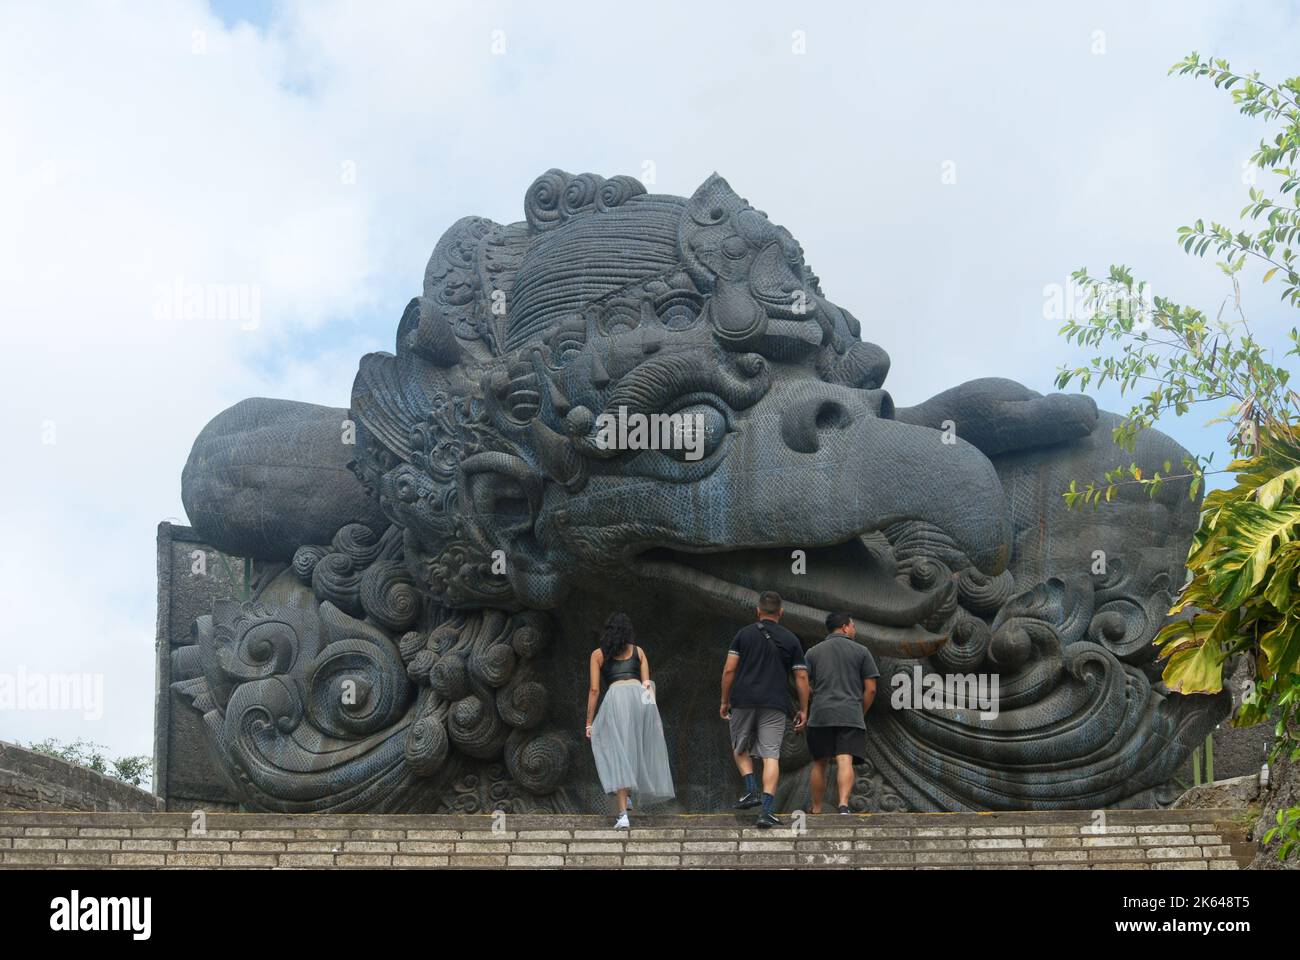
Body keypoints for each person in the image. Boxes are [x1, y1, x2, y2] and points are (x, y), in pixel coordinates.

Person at [720, 591, 809, 828]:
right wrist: (803, 708)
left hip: (743, 700)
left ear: (758, 611)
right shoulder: (791, 639)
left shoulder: (744, 635)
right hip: (775, 703)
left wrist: (724, 701)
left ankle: (751, 790)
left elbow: (729, 670)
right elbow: (801, 675)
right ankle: (766, 811)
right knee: (771, 756)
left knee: (739, 748)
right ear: (781, 612)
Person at [586, 612, 674, 828]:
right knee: (634, 747)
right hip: (638, 698)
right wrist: (653, 719)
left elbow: (595, 689)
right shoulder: (639, 651)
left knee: (617, 751)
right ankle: (628, 797)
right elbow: (646, 685)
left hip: (615, 699)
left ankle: (623, 814)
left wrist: (589, 721)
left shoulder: (597, 654)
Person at [805, 612, 879, 814]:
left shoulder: (813, 652)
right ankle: (843, 805)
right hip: (850, 714)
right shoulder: (862, 651)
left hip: (820, 714)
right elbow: (871, 688)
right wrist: (860, 710)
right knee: (844, 758)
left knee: (819, 763)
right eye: (853, 625)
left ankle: (817, 808)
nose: (854, 630)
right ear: (845, 627)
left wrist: (813, 696)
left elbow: (801, 680)